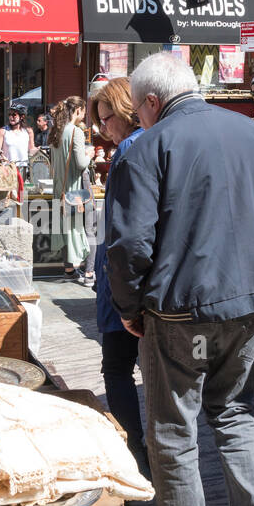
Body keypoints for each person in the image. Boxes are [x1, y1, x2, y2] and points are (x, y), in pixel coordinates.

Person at [107, 52, 254, 506]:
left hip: (179, 310)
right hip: (249, 302)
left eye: (139, 110)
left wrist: (128, 308)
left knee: (173, 425)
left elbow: (128, 244)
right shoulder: (252, 134)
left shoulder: (148, 147)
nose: (139, 119)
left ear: (152, 101)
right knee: (233, 412)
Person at [90, 78, 149, 482]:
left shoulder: (130, 147)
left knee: (116, 367)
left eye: (106, 118)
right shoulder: (149, 142)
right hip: (135, 278)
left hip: (125, 281)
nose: (102, 129)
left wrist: (119, 292)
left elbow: (124, 229)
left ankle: (134, 454)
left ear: (125, 110)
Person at [49, 96, 92, 284]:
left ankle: (69, 270)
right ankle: (89, 273)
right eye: (83, 111)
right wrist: (89, 155)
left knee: (65, 228)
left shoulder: (56, 131)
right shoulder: (76, 132)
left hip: (59, 189)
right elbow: (81, 163)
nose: (84, 115)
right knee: (87, 228)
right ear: (77, 110)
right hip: (75, 190)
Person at [0, 105, 34, 171]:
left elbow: (31, 149)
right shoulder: (3, 131)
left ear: (22, 117)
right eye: (9, 115)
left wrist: (41, 150)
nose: (11, 117)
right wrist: (2, 159)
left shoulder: (28, 131)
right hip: (8, 169)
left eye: (14, 115)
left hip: (24, 169)